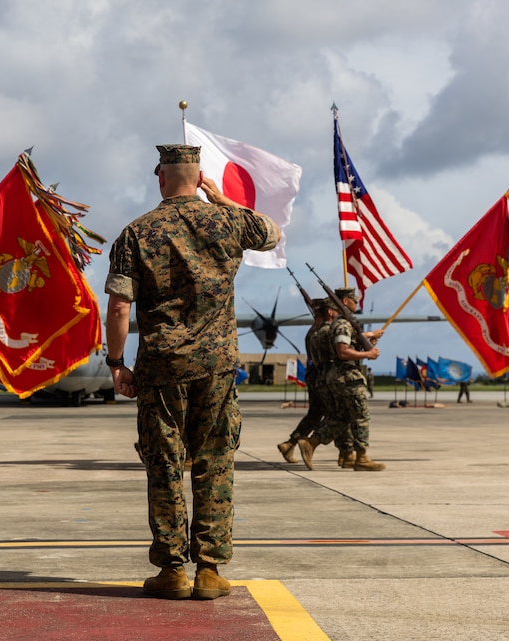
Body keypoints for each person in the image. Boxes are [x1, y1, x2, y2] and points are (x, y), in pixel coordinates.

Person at [105, 144, 280, 600]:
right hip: (216, 365)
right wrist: (220, 198)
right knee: (213, 463)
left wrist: (116, 362)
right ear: (199, 176)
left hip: (160, 366)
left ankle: (171, 571)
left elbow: (121, 304)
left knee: (164, 464)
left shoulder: (136, 232)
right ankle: (209, 570)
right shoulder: (227, 221)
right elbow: (271, 234)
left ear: (159, 177)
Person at [298, 288, 386, 472]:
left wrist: (366, 341)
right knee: (361, 417)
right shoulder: (343, 324)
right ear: (345, 301)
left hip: (337, 377)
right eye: (355, 300)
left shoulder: (337, 325)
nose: (357, 303)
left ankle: (312, 443)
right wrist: (367, 354)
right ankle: (361, 458)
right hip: (347, 377)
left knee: (343, 417)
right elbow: (342, 351)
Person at [277, 297, 331, 464]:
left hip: (313, 375)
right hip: (323, 376)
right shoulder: (325, 331)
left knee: (314, 414)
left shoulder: (312, 331)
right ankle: (345, 452)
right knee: (338, 414)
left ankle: (290, 444)